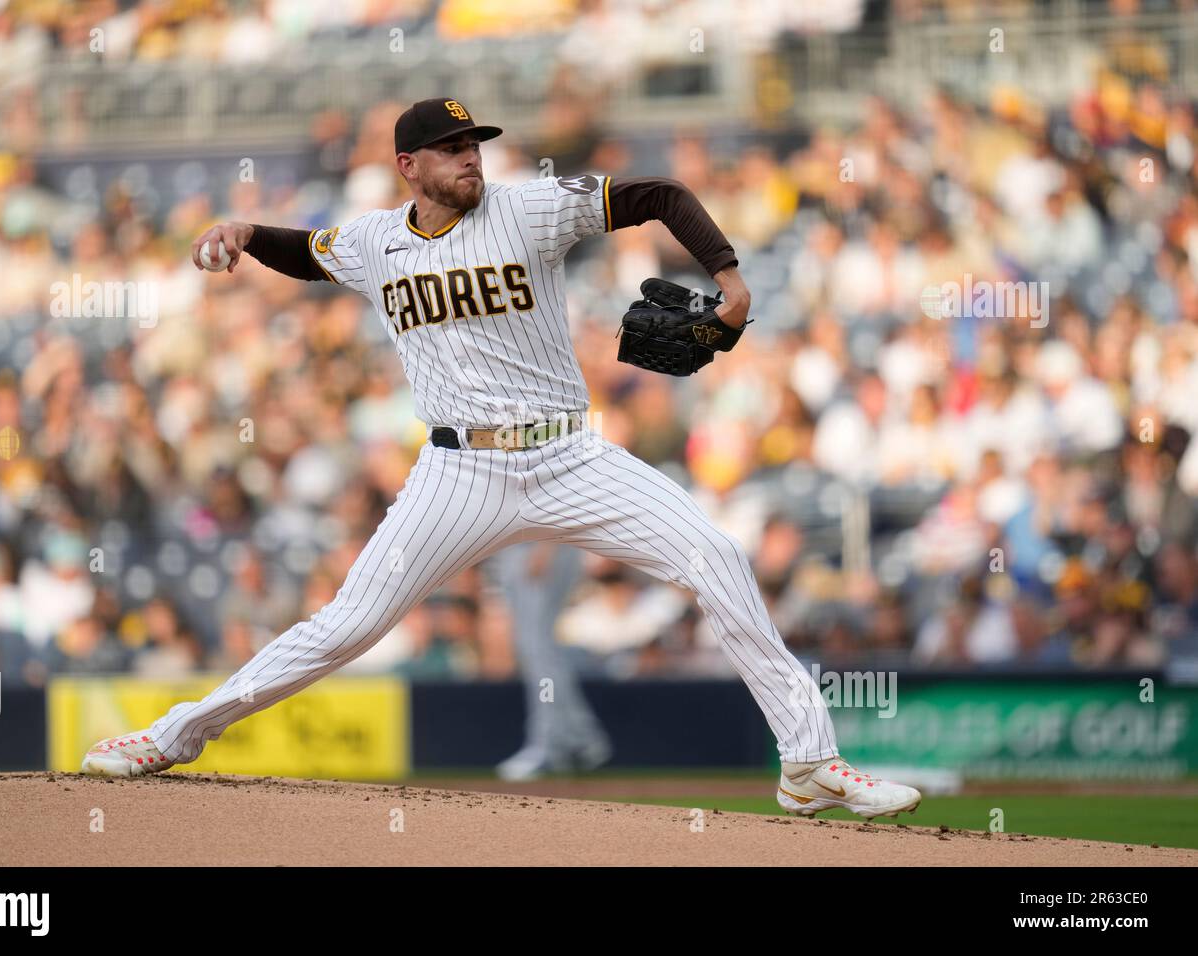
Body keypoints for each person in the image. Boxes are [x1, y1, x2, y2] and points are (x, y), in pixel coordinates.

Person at [81, 97, 921, 820]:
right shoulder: (376, 241)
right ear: (410, 166)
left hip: (570, 456)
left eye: (474, 143)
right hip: (458, 474)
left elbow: (658, 192)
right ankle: (174, 735)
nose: (468, 158)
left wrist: (729, 276)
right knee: (347, 625)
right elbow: (305, 251)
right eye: (450, 149)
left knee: (718, 556)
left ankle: (807, 764)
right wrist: (241, 230)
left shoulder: (528, 210)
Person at [485, 542, 612, 781]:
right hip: (524, 544)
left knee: (538, 648)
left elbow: (557, 504)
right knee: (538, 649)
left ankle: (548, 747)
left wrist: (546, 547)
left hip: (538, 542)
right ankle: (581, 739)